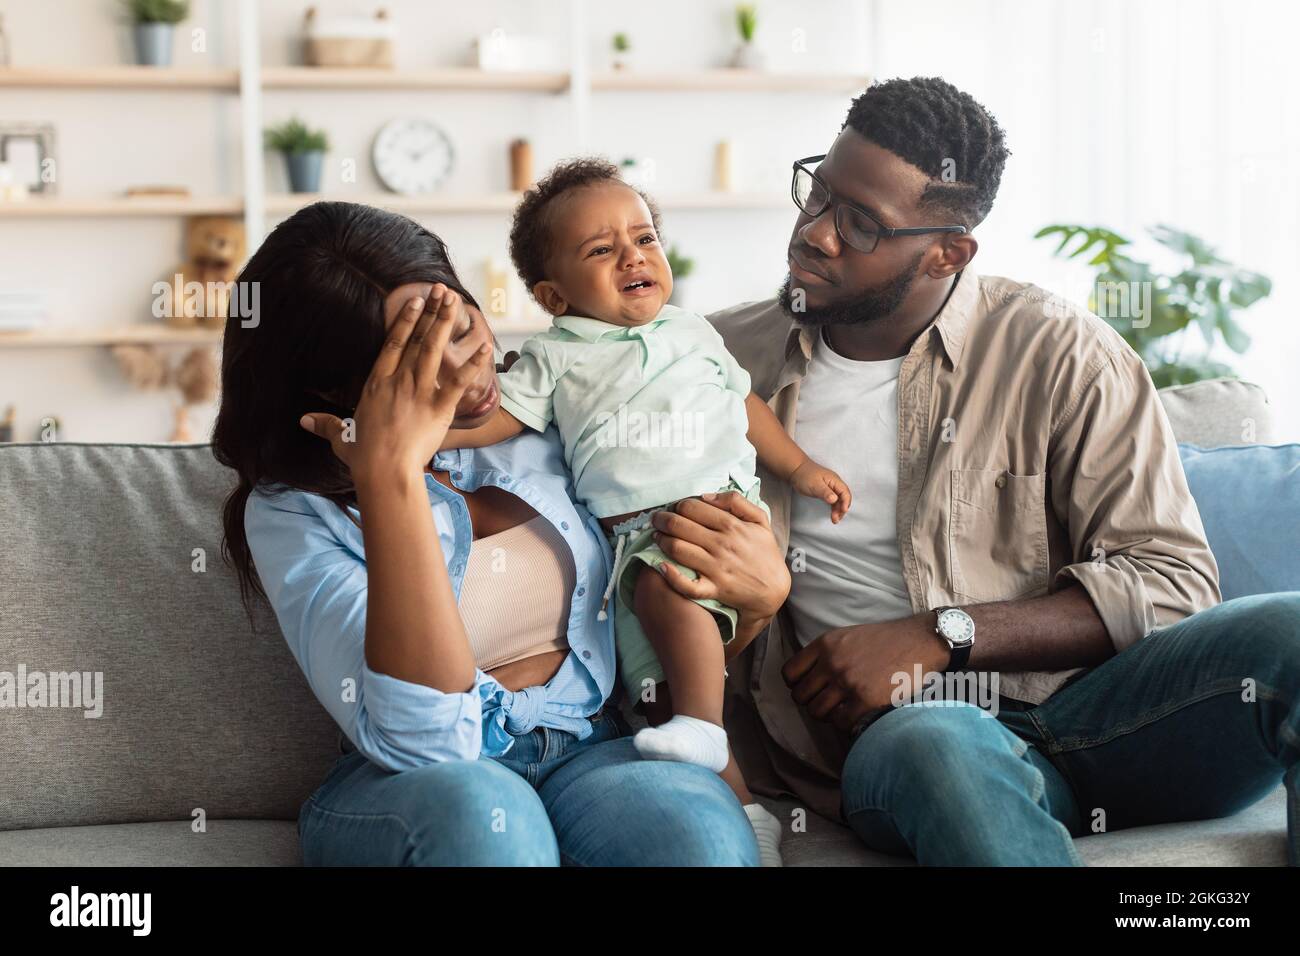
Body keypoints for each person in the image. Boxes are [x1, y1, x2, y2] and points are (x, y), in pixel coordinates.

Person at [709, 75, 1300, 865]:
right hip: (908, 744)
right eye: (817, 196)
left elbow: (1171, 581)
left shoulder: (1062, 354)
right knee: (939, 738)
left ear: (949, 252)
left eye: (858, 223)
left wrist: (939, 635)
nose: (815, 233)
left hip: (1104, 718)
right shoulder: (714, 363)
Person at [212, 201, 792, 866]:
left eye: (462, 322)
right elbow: (425, 744)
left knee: (699, 836)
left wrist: (757, 601)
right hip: (422, 785)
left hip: (595, 751)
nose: (473, 364)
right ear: (340, 392)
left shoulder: (553, 420)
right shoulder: (291, 511)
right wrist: (391, 475)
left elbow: (659, 620)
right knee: (492, 827)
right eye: (419, 359)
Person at [438, 159, 851, 866]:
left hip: (711, 513)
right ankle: (744, 807)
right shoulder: (555, 356)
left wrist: (801, 468)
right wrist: (424, 439)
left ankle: (704, 728)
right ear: (553, 294)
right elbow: (501, 418)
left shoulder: (691, 332)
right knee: (649, 703)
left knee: (671, 608)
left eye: (645, 237)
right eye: (601, 250)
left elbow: (743, 405)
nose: (634, 256)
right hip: (629, 541)